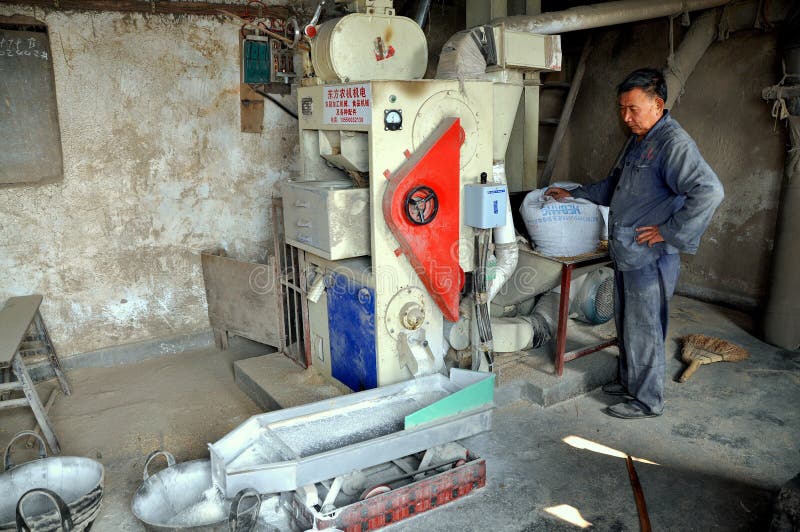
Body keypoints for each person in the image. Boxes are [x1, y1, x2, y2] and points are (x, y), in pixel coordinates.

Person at [546, 68, 724, 419]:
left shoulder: (673, 143)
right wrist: (576, 194)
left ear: (658, 105)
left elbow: (710, 191)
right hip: (629, 251)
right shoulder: (641, 139)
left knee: (645, 328)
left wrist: (669, 231)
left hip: (651, 257)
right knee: (629, 323)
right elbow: (616, 186)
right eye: (622, 109)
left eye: (633, 109)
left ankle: (647, 400)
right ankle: (630, 383)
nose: (626, 118)